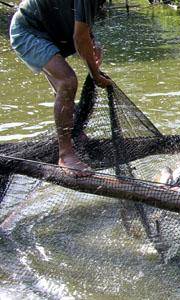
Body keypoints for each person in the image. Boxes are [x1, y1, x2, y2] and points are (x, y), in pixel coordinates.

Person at [9, 0, 112, 176]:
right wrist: (95, 74)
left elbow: (79, 22)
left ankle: (74, 134)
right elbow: (79, 38)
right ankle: (66, 155)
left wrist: (92, 40)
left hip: (51, 30)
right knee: (67, 82)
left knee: (63, 87)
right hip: (28, 30)